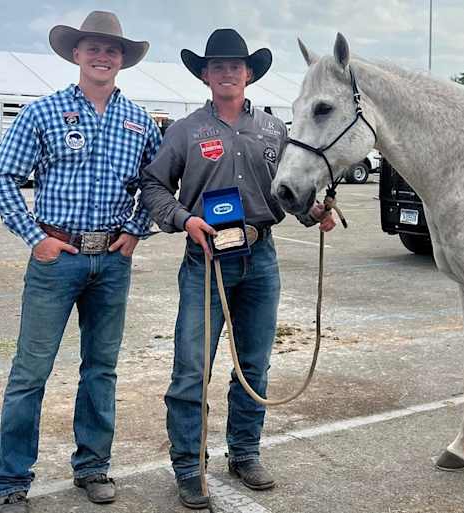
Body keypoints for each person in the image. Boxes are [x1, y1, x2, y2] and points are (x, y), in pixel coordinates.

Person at [140, 28, 334, 509]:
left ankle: (244, 453)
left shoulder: (273, 130)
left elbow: (286, 191)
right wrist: (184, 219)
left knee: (254, 365)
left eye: (236, 66)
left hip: (260, 257)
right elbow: (153, 186)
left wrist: (315, 211)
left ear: (249, 74)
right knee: (191, 368)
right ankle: (189, 465)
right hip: (205, 259)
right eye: (218, 66)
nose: (228, 73)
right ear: (205, 75)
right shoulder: (184, 130)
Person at [0, 11, 160, 512]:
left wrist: (135, 231)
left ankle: (92, 466)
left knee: (101, 370)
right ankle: (12, 478)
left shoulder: (141, 122)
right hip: (56, 259)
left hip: (111, 262)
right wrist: (34, 237)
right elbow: (0, 179)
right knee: (30, 372)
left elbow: (156, 186)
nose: (102, 56)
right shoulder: (43, 113)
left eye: (112, 50)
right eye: (93, 48)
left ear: (122, 60)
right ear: (76, 54)